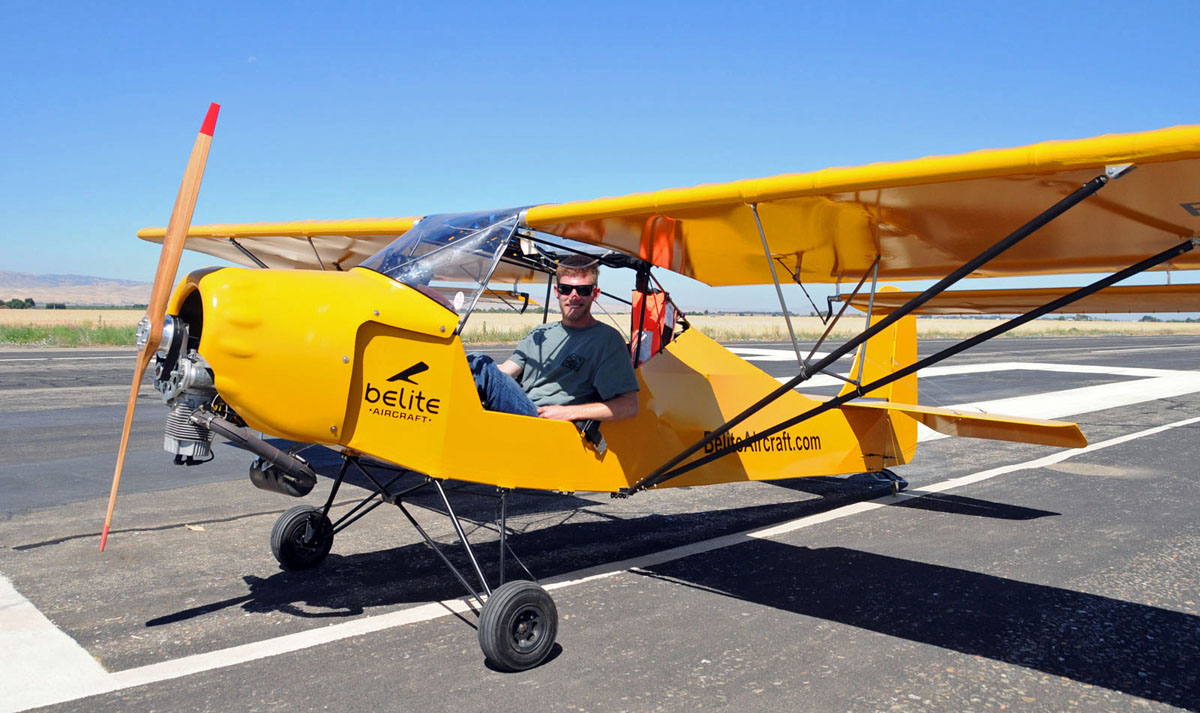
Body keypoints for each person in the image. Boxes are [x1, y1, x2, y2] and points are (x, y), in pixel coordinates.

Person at [467, 255, 639, 422]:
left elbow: (629, 405)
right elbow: (504, 372)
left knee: (478, 362)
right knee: (474, 364)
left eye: (583, 290)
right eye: (566, 289)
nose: (574, 296)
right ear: (557, 292)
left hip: (549, 426)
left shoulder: (607, 340)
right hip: (520, 412)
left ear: (595, 293)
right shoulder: (539, 334)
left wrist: (568, 412)